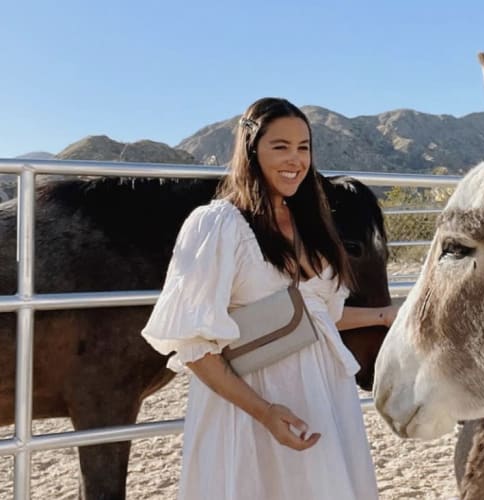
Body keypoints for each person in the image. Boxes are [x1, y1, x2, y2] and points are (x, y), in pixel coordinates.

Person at [141, 97, 396, 499]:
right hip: (252, 407)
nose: (294, 159)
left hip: (326, 399)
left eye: (303, 147)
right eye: (280, 146)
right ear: (251, 148)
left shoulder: (313, 224)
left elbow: (317, 316)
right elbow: (194, 345)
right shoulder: (217, 225)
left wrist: (384, 316)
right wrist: (264, 412)